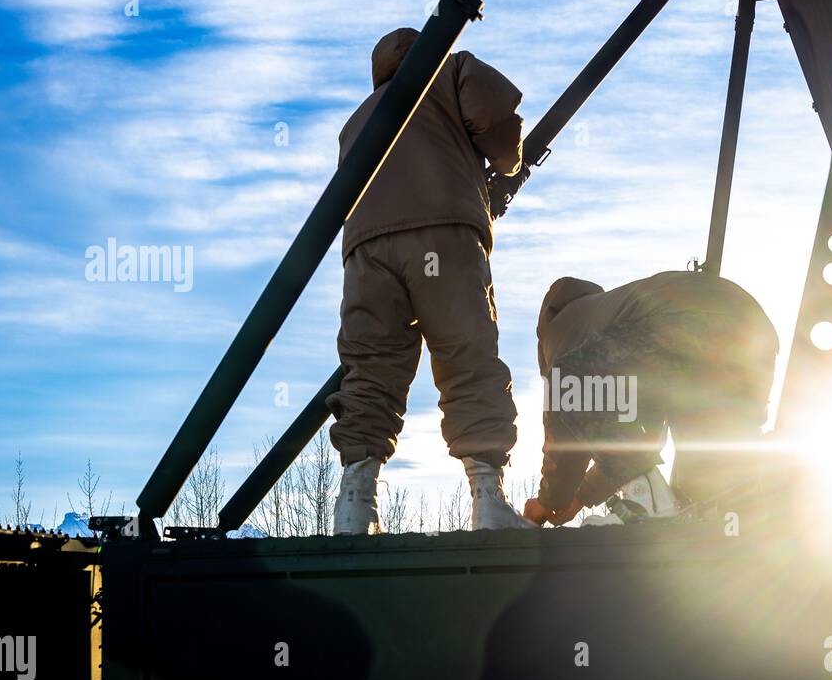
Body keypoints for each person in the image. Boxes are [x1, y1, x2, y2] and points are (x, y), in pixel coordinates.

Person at [329, 28, 534, 534]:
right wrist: (506, 162)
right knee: (467, 355)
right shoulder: (450, 68)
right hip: (441, 233)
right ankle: (488, 501)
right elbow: (495, 111)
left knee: (370, 368)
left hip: (365, 251)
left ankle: (355, 507)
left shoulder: (356, 119)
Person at [523, 270, 779, 527]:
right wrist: (582, 496)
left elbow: (564, 440)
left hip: (682, 325)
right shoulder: (613, 313)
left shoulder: (563, 328)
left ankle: (647, 502)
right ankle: (739, 516)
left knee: (568, 382)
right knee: (707, 479)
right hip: (754, 332)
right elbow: (642, 438)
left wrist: (549, 500)